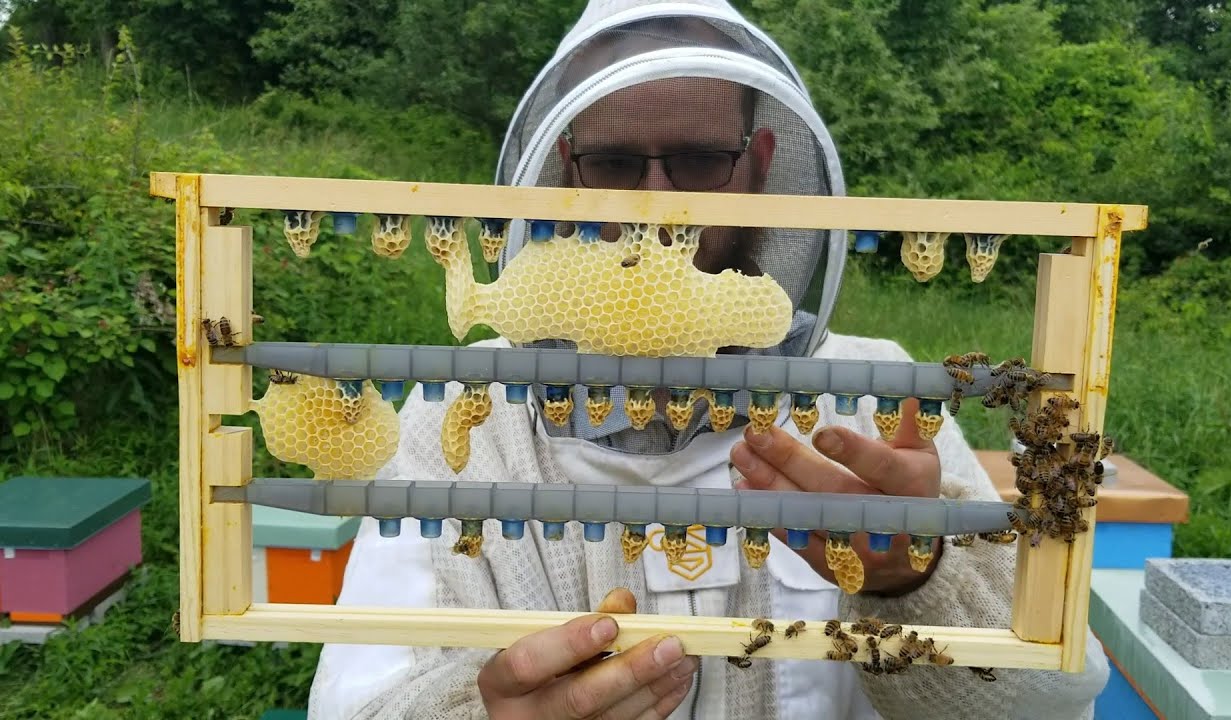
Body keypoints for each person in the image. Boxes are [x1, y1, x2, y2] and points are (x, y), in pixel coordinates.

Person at [307, 2, 1111, 718]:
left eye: (697, 161)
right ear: (563, 169)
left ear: (760, 165)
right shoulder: (460, 412)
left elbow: (1054, 694)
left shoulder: (872, 401)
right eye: (618, 166)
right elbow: (362, 699)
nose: (659, 209)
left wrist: (916, 577)